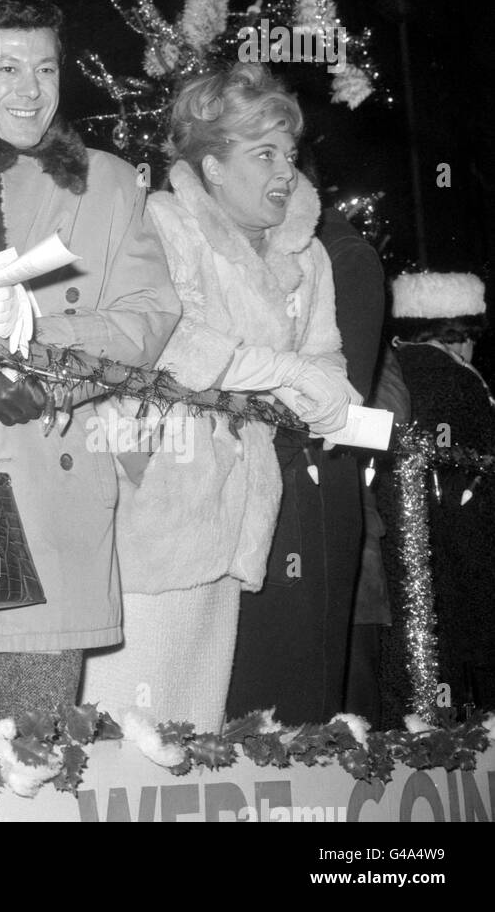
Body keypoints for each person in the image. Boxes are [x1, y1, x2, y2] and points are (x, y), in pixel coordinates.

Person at [0, 0, 181, 740]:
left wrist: (44, 345)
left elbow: (149, 314)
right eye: (6, 66)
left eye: (45, 67)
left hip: (60, 516)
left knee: (40, 771)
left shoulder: (111, 183)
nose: (30, 87)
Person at [82, 64, 357, 731]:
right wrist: (289, 372)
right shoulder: (165, 221)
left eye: (289, 153)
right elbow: (170, 336)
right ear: (211, 165)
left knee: (194, 721)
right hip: (155, 491)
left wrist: (323, 395)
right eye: (264, 153)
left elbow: (326, 367)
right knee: (122, 718)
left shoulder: (307, 256)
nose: (286, 171)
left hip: (240, 507)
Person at [225, 170, 377, 722]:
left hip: (305, 475)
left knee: (294, 693)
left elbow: (342, 386)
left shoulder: (338, 252)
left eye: (281, 152)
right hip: (241, 476)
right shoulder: (206, 236)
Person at [379, 272, 495, 722]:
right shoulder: (461, 382)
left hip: (397, 540)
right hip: (453, 544)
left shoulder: (388, 368)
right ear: (460, 336)